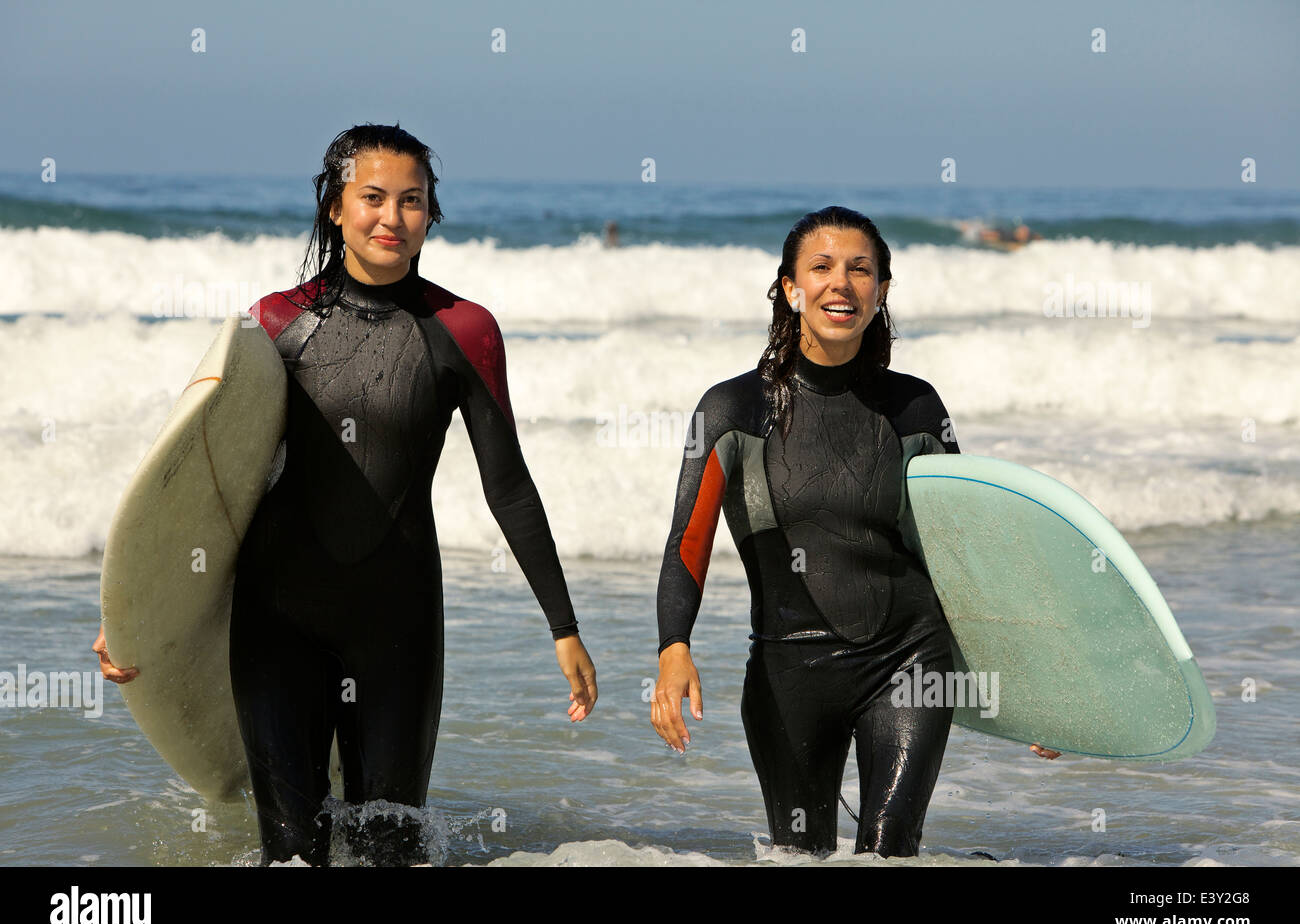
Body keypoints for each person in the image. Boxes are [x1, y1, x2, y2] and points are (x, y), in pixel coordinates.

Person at [96, 123, 597, 866]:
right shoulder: (273, 325)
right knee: (292, 853)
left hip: (397, 628)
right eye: (372, 198)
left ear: (431, 214)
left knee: (393, 848)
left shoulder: (463, 331)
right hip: (276, 625)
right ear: (335, 206)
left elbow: (510, 488)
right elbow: (206, 480)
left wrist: (563, 626)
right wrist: (140, 606)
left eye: (412, 200)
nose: (391, 218)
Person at [650, 206, 1054, 860]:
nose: (842, 283)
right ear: (791, 288)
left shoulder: (917, 408)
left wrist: (1030, 684)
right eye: (823, 267)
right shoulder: (731, 410)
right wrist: (674, 648)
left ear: (882, 291)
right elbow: (686, 543)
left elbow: (965, 556)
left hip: (910, 662)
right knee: (799, 856)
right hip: (790, 670)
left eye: (861, 270)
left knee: (890, 849)